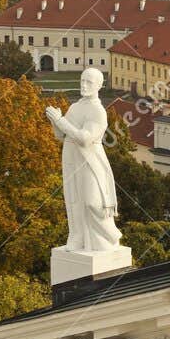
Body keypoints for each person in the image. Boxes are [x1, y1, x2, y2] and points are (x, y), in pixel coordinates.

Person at [45, 68, 122, 253]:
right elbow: (62, 135)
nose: (83, 85)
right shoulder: (76, 107)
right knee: (73, 199)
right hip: (71, 155)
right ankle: (77, 237)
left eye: (88, 82)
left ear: (99, 86)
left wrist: (60, 120)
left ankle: (109, 236)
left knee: (92, 201)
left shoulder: (98, 111)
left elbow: (85, 138)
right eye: (82, 80)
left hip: (89, 159)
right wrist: (54, 122)